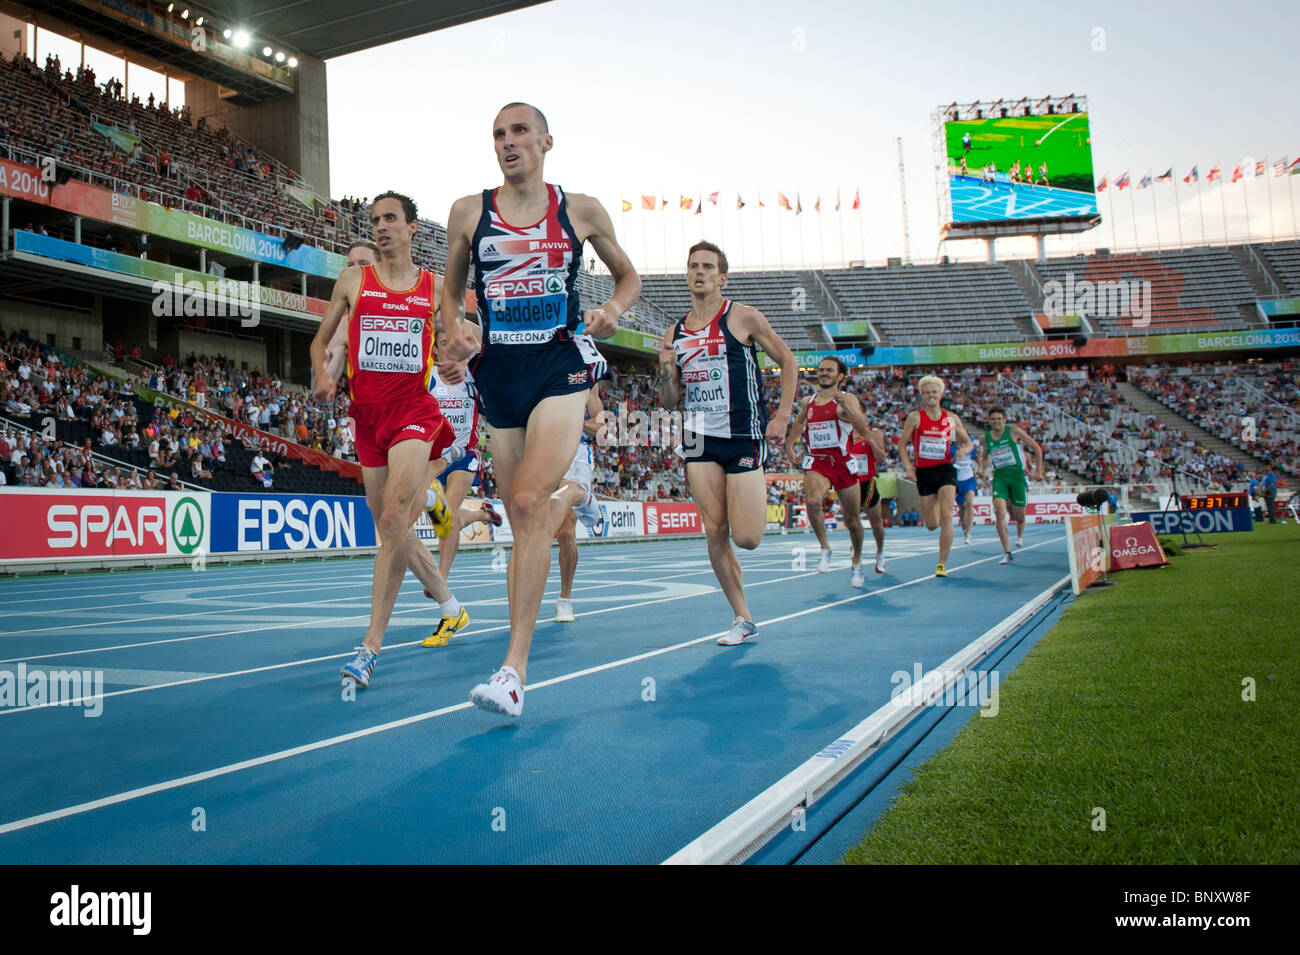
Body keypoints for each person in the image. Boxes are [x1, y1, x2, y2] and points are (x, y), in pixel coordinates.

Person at [440, 103, 640, 716]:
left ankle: (512, 668)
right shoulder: (468, 212)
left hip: (560, 364)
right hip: (498, 372)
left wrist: (612, 310)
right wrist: (458, 330)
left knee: (527, 500)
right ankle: (514, 668)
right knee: (524, 517)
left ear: (547, 141)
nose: (507, 142)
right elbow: (448, 294)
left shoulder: (578, 209)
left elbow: (629, 278)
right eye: (498, 134)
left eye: (519, 131)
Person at [310, 192, 466, 689]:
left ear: (412, 227)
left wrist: (463, 357)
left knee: (396, 518)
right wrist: (322, 372)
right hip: (367, 417)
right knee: (389, 530)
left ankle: (370, 646)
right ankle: (450, 604)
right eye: (374, 220)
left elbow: (472, 333)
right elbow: (320, 341)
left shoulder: (434, 286)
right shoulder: (354, 281)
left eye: (390, 219)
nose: (381, 227)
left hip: (414, 412)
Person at [659, 240, 796, 645]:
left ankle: (751, 494)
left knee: (748, 538)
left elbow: (787, 361)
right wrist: (666, 368)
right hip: (699, 439)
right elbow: (669, 399)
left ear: (722, 277)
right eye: (693, 266)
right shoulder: (673, 332)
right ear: (686, 274)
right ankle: (742, 617)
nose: (699, 272)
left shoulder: (744, 317)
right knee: (714, 529)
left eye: (707, 266)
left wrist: (783, 415)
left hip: (742, 434)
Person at [785, 357, 870, 587]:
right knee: (812, 502)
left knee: (852, 520)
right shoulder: (808, 401)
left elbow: (862, 426)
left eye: (829, 370)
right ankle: (825, 548)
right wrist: (790, 444)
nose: (823, 373)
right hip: (818, 462)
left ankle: (857, 561)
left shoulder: (847, 399)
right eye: (821, 370)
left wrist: (849, 407)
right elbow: (799, 422)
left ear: (840, 376)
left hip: (843, 463)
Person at [898, 375, 974, 577]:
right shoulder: (915, 417)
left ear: (941, 394)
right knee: (932, 524)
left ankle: (942, 563)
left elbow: (968, 441)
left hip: (945, 469)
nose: (931, 395)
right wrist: (908, 467)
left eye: (934, 392)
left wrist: (964, 450)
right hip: (924, 472)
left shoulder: (951, 419)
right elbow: (902, 445)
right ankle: (940, 510)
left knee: (947, 514)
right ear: (922, 395)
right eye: (927, 392)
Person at [551, 383, 606, 622]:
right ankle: (586, 501)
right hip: (544, 449)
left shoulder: (588, 383)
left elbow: (602, 430)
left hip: (576, 453)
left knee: (565, 532)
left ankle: (565, 599)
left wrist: (577, 422)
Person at [979, 406, 1043, 563]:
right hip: (999, 478)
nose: (996, 422)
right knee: (999, 511)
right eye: (993, 419)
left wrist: (1039, 471)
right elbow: (985, 455)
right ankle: (1007, 552)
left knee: (1018, 516)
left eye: (999, 419)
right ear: (989, 421)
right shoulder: (986, 437)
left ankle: (1020, 534)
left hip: (1016, 477)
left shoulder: (1014, 431)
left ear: (1004, 420)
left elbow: (1036, 447)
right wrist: (982, 468)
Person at [850, 425, 889, 574]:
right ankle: (856, 554)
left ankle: (880, 552)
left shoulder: (873, 432)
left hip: (867, 483)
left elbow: (881, 457)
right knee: (852, 521)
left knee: (876, 523)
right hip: (849, 482)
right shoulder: (843, 432)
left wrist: (870, 440)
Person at [954, 440, 979, 545]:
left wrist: (980, 467)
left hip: (969, 479)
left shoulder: (972, 449)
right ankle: (964, 527)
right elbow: (947, 462)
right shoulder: (952, 449)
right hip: (956, 482)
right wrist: (955, 457)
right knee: (962, 507)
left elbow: (978, 457)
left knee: (969, 503)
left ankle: (968, 533)